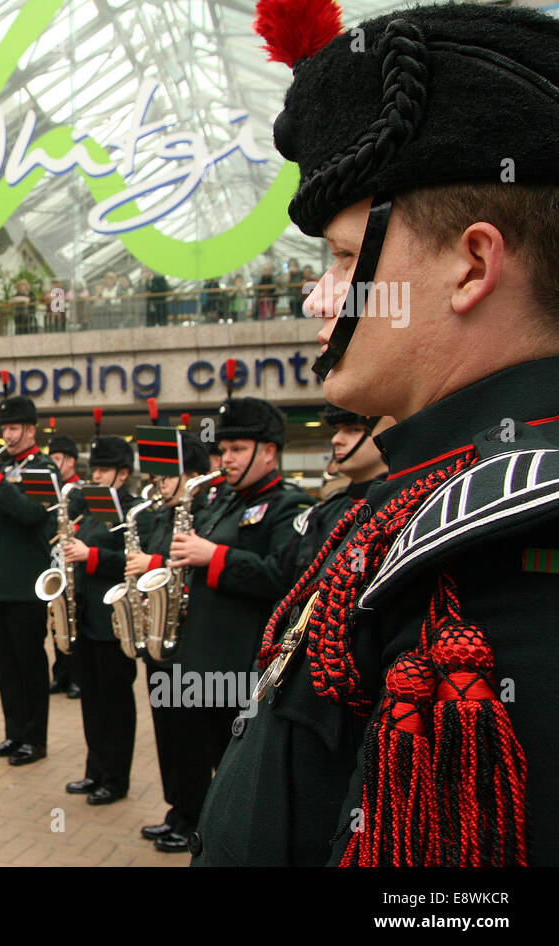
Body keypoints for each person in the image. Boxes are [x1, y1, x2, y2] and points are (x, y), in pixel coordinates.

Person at [194, 1, 559, 867]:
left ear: (474, 265)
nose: (319, 301)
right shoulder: (417, 498)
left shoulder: (500, 555)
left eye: (348, 260)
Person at [143, 398, 310, 851]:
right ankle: (194, 820)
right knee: (192, 752)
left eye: (237, 448)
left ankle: (230, 840)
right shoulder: (220, 501)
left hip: (241, 664)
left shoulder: (290, 504)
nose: (226, 459)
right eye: (224, 450)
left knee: (236, 767)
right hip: (197, 654)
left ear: (270, 452)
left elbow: (285, 576)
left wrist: (213, 556)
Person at [130, 440, 217, 845]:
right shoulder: (161, 514)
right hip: (159, 634)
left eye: (167, 476)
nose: (160, 484)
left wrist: (151, 565)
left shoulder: (202, 511)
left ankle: (195, 816)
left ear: (192, 475)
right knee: (167, 731)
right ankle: (176, 807)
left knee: (189, 735)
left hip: (189, 638)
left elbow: (189, 567)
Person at [59, 435, 148, 805]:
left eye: (104, 469)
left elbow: (134, 561)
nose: (96, 475)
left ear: (123, 473)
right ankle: (94, 769)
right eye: (94, 468)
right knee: (91, 702)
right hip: (85, 619)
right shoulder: (91, 510)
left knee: (115, 704)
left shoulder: (134, 511)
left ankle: (116, 778)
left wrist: (88, 555)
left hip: (115, 622)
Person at [0, 394, 59, 766]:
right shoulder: (2, 465)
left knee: (30, 663)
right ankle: (13, 733)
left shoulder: (44, 468)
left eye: (14, 428)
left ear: (30, 430)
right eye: (5, 427)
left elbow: (30, 514)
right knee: (4, 663)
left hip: (25, 581)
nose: (8, 434)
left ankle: (34, 739)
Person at [278, 405, 394, 589]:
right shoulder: (323, 512)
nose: (336, 440)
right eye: (337, 430)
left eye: (354, 430)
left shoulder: (401, 507)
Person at [46, 433, 82, 698]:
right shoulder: (49, 488)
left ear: (71, 461)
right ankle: (60, 673)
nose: (54, 465)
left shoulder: (80, 490)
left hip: (74, 558)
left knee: (73, 615)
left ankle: (76, 676)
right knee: (55, 618)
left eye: (57, 459)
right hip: (53, 559)